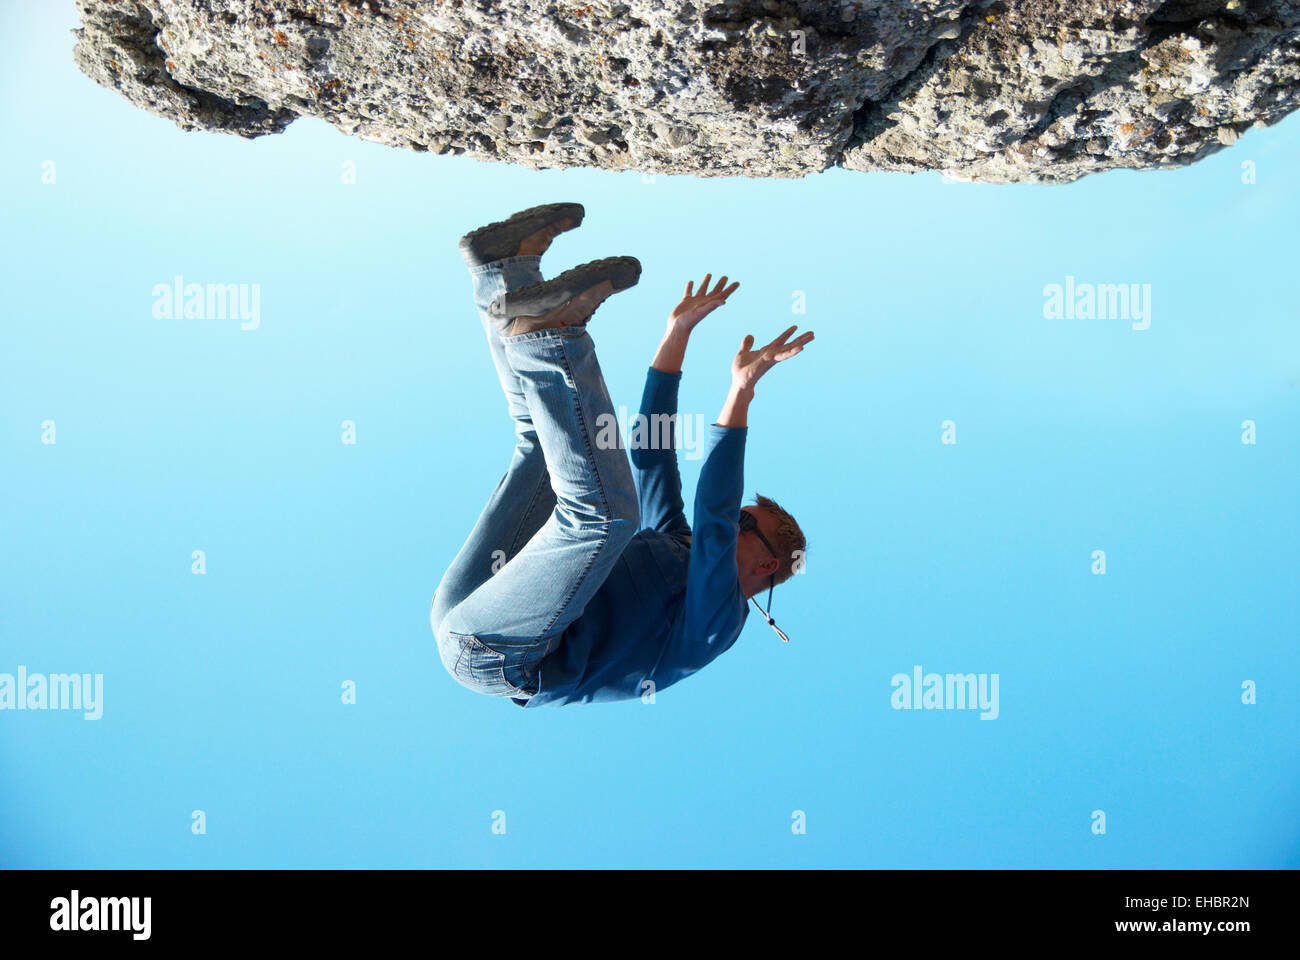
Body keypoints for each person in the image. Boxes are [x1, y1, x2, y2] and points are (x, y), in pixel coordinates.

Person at [430, 202, 812, 707]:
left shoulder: (719, 624)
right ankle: (503, 269)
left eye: (746, 525)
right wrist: (677, 334)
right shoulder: (678, 544)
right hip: (473, 604)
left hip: (503, 654)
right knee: (549, 451)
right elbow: (652, 453)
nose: (725, 529)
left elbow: (715, 514)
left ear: (766, 563)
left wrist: (740, 393)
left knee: (607, 517)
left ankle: (550, 338)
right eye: (743, 518)